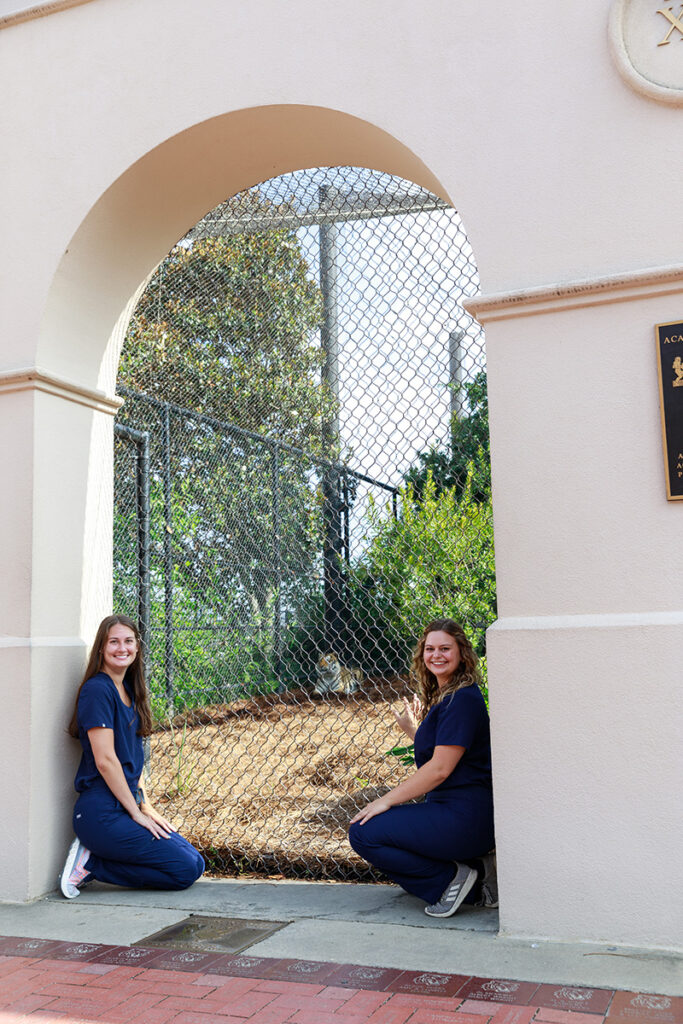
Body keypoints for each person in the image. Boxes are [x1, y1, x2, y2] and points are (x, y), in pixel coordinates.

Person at [348, 618, 497, 917]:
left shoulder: (463, 699)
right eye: (430, 649)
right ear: (422, 654)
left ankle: (450, 881)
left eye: (445, 648)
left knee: (364, 833)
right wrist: (414, 731)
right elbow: (448, 755)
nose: (436, 655)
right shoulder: (450, 698)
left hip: (465, 817)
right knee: (374, 828)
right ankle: (476, 876)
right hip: (455, 813)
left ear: (462, 653)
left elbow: (440, 769)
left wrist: (385, 800)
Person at [60, 614, 205, 898]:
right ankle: (92, 865)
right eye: (113, 642)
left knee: (196, 863)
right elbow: (106, 761)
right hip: (100, 813)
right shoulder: (97, 690)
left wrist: (146, 806)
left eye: (128, 641)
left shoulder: (129, 691)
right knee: (184, 869)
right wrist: (135, 812)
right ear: (101, 648)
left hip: (124, 805)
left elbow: (133, 767)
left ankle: (97, 860)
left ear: (137, 648)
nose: (121, 648)